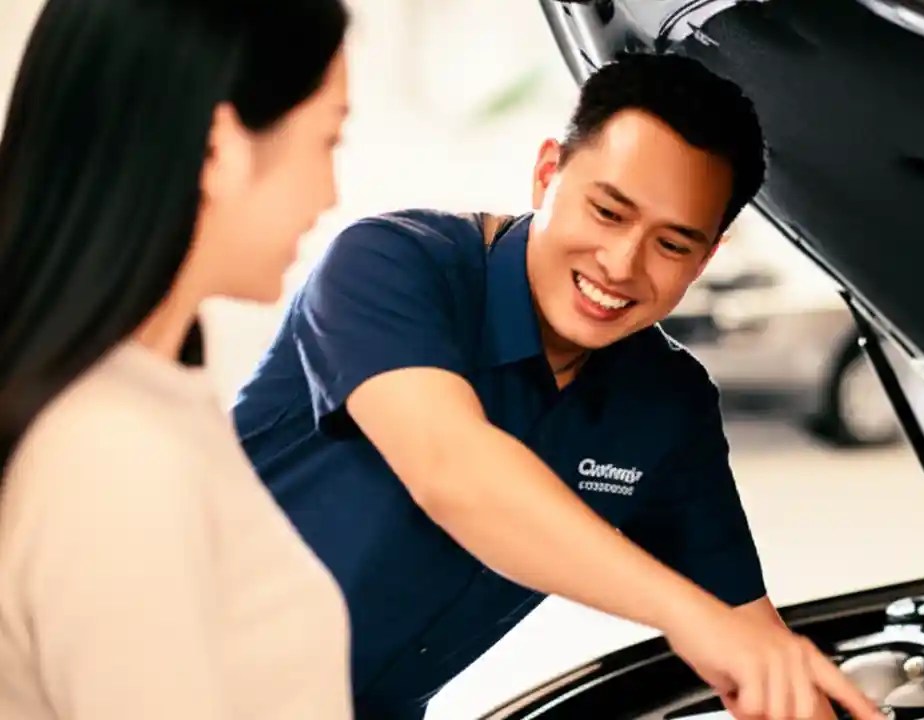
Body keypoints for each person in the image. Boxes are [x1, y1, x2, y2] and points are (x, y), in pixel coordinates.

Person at [232, 53, 883, 720]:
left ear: (707, 257)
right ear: (547, 173)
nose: (622, 264)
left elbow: (753, 641)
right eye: (607, 211)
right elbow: (453, 470)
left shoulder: (667, 404)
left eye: (673, 244)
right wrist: (691, 619)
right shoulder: (392, 265)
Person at [0, 1, 354, 718]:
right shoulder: (112, 453)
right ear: (220, 147)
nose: (330, 194)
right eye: (326, 141)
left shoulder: (149, 397)